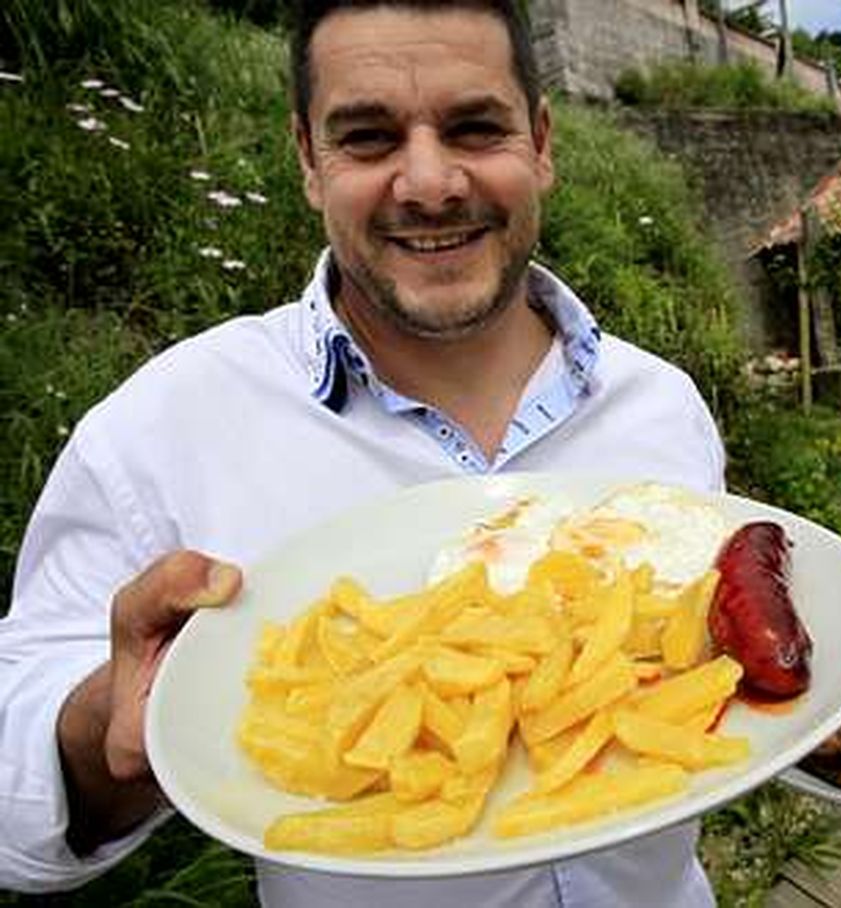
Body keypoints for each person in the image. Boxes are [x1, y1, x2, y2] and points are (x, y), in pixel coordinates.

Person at [0, 2, 724, 904]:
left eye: (474, 126)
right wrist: (103, 723)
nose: (428, 182)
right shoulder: (160, 425)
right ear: (308, 160)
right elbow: (12, 808)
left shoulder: (663, 404)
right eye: (370, 138)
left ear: (541, 143)